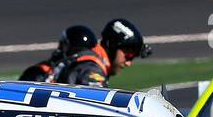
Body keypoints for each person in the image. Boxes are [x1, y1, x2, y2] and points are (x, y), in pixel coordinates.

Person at [21, 19, 150, 85]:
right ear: (112, 46)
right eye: (128, 55)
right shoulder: (92, 69)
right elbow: (99, 107)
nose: (129, 63)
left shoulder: (87, 60)